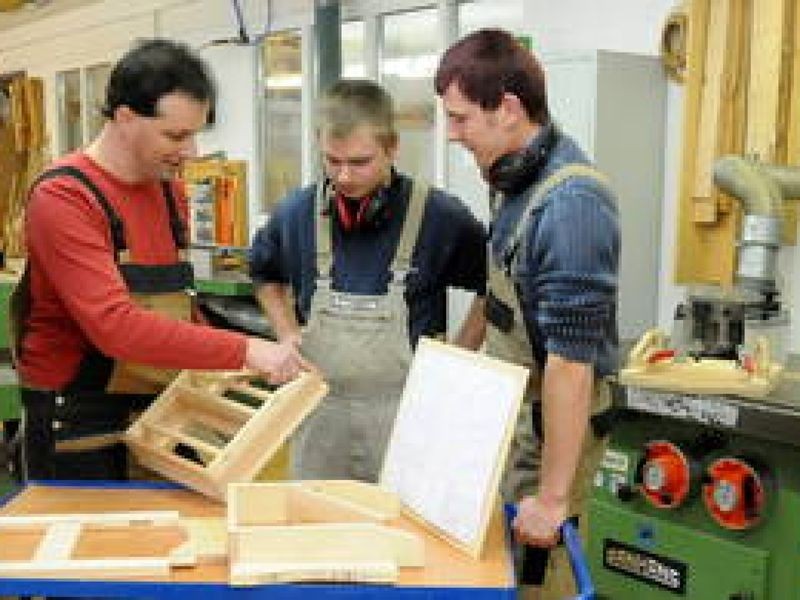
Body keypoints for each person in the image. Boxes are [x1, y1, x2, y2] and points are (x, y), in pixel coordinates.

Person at [13, 39, 310, 482]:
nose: (191, 151)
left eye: (195, 133)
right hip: (78, 423)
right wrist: (247, 350)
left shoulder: (169, 191)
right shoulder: (65, 197)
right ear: (125, 118)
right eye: (175, 135)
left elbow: (177, 307)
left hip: (158, 407)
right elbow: (115, 326)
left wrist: (227, 365)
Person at [435, 29, 619, 598]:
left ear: (509, 109)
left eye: (461, 118)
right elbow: (497, 296)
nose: (452, 134)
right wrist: (453, 369)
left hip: (552, 430)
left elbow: (571, 366)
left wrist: (553, 499)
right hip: (515, 417)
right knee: (504, 570)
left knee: (541, 577)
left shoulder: (571, 206)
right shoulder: (512, 180)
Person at [249, 79, 486, 483]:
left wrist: (457, 360)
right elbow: (264, 275)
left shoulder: (440, 217)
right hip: (318, 412)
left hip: (406, 414)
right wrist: (287, 334)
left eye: (359, 162)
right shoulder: (295, 213)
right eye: (332, 161)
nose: (343, 176)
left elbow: (491, 288)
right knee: (316, 515)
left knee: (401, 517)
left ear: (392, 148)